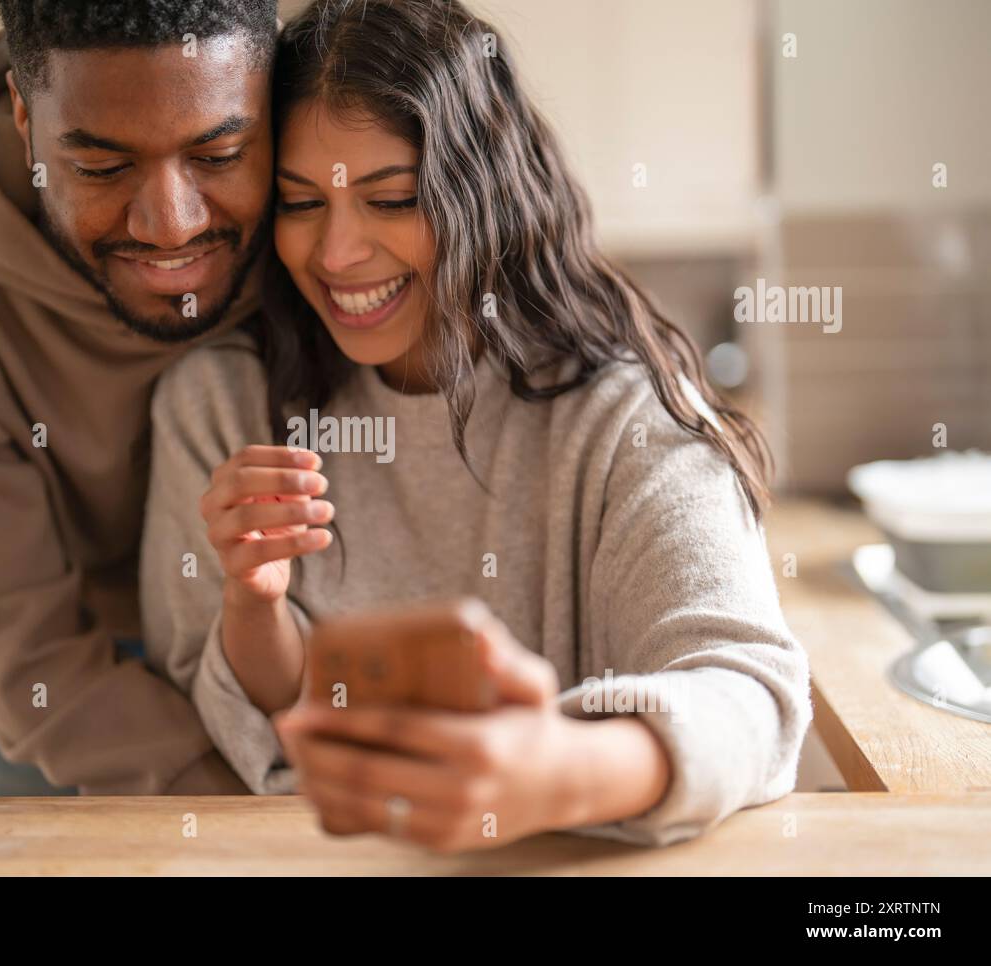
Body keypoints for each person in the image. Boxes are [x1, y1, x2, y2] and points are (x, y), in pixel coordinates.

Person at [141, 0, 812, 850]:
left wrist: (556, 770)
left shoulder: (622, 418)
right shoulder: (219, 405)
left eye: (391, 199)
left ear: (484, 195)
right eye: (301, 203)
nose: (336, 252)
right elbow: (257, 721)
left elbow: (749, 694)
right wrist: (251, 603)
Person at [0, 0, 281, 796]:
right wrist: (258, 816)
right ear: (24, 119)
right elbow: (25, 647)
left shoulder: (337, 190)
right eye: (102, 168)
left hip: (318, 664)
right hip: (81, 693)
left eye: (221, 155)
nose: (172, 225)